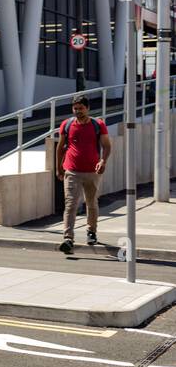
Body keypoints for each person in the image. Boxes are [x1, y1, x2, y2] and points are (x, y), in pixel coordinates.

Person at [55, 94, 111, 254]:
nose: (78, 111)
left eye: (81, 108)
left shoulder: (98, 125)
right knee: (70, 204)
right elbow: (60, 147)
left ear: (88, 108)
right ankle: (68, 238)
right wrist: (59, 168)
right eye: (75, 108)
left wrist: (103, 161)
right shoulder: (67, 124)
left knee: (91, 203)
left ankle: (91, 232)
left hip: (92, 171)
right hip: (72, 171)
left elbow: (106, 146)